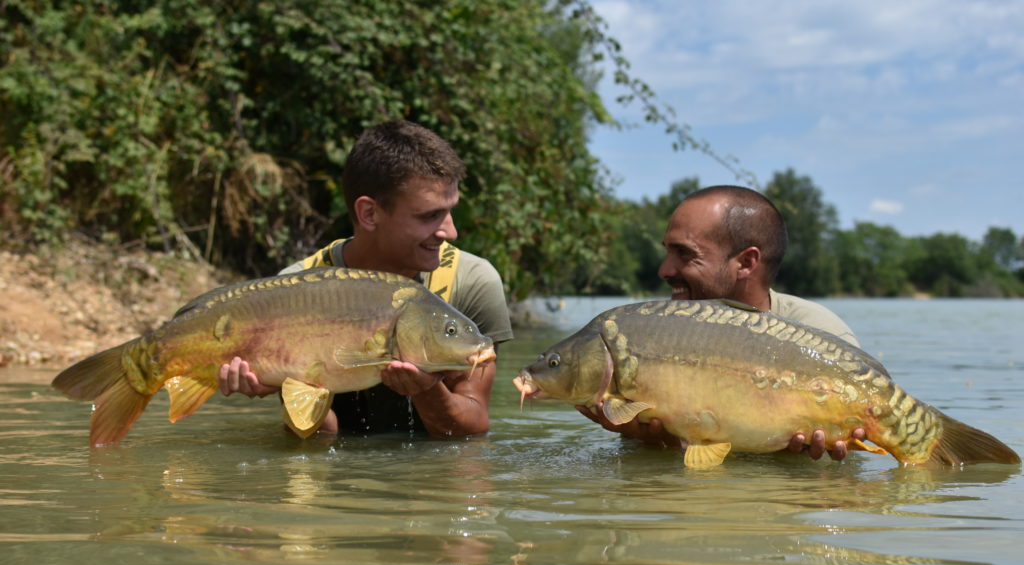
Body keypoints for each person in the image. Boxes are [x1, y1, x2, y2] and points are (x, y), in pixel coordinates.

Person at [218, 120, 513, 437]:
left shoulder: (472, 281)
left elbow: (472, 430)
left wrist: (426, 389)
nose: (450, 232)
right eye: (429, 216)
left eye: (450, 211)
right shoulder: (294, 292)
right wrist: (277, 380)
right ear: (369, 214)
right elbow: (317, 444)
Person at [578, 185, 865, 461]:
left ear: (746, 262)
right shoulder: (651, 337)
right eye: (667, 252)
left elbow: (849, 464)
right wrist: (652, 440)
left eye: (685, 254)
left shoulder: (823, 334)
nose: (663, 270)